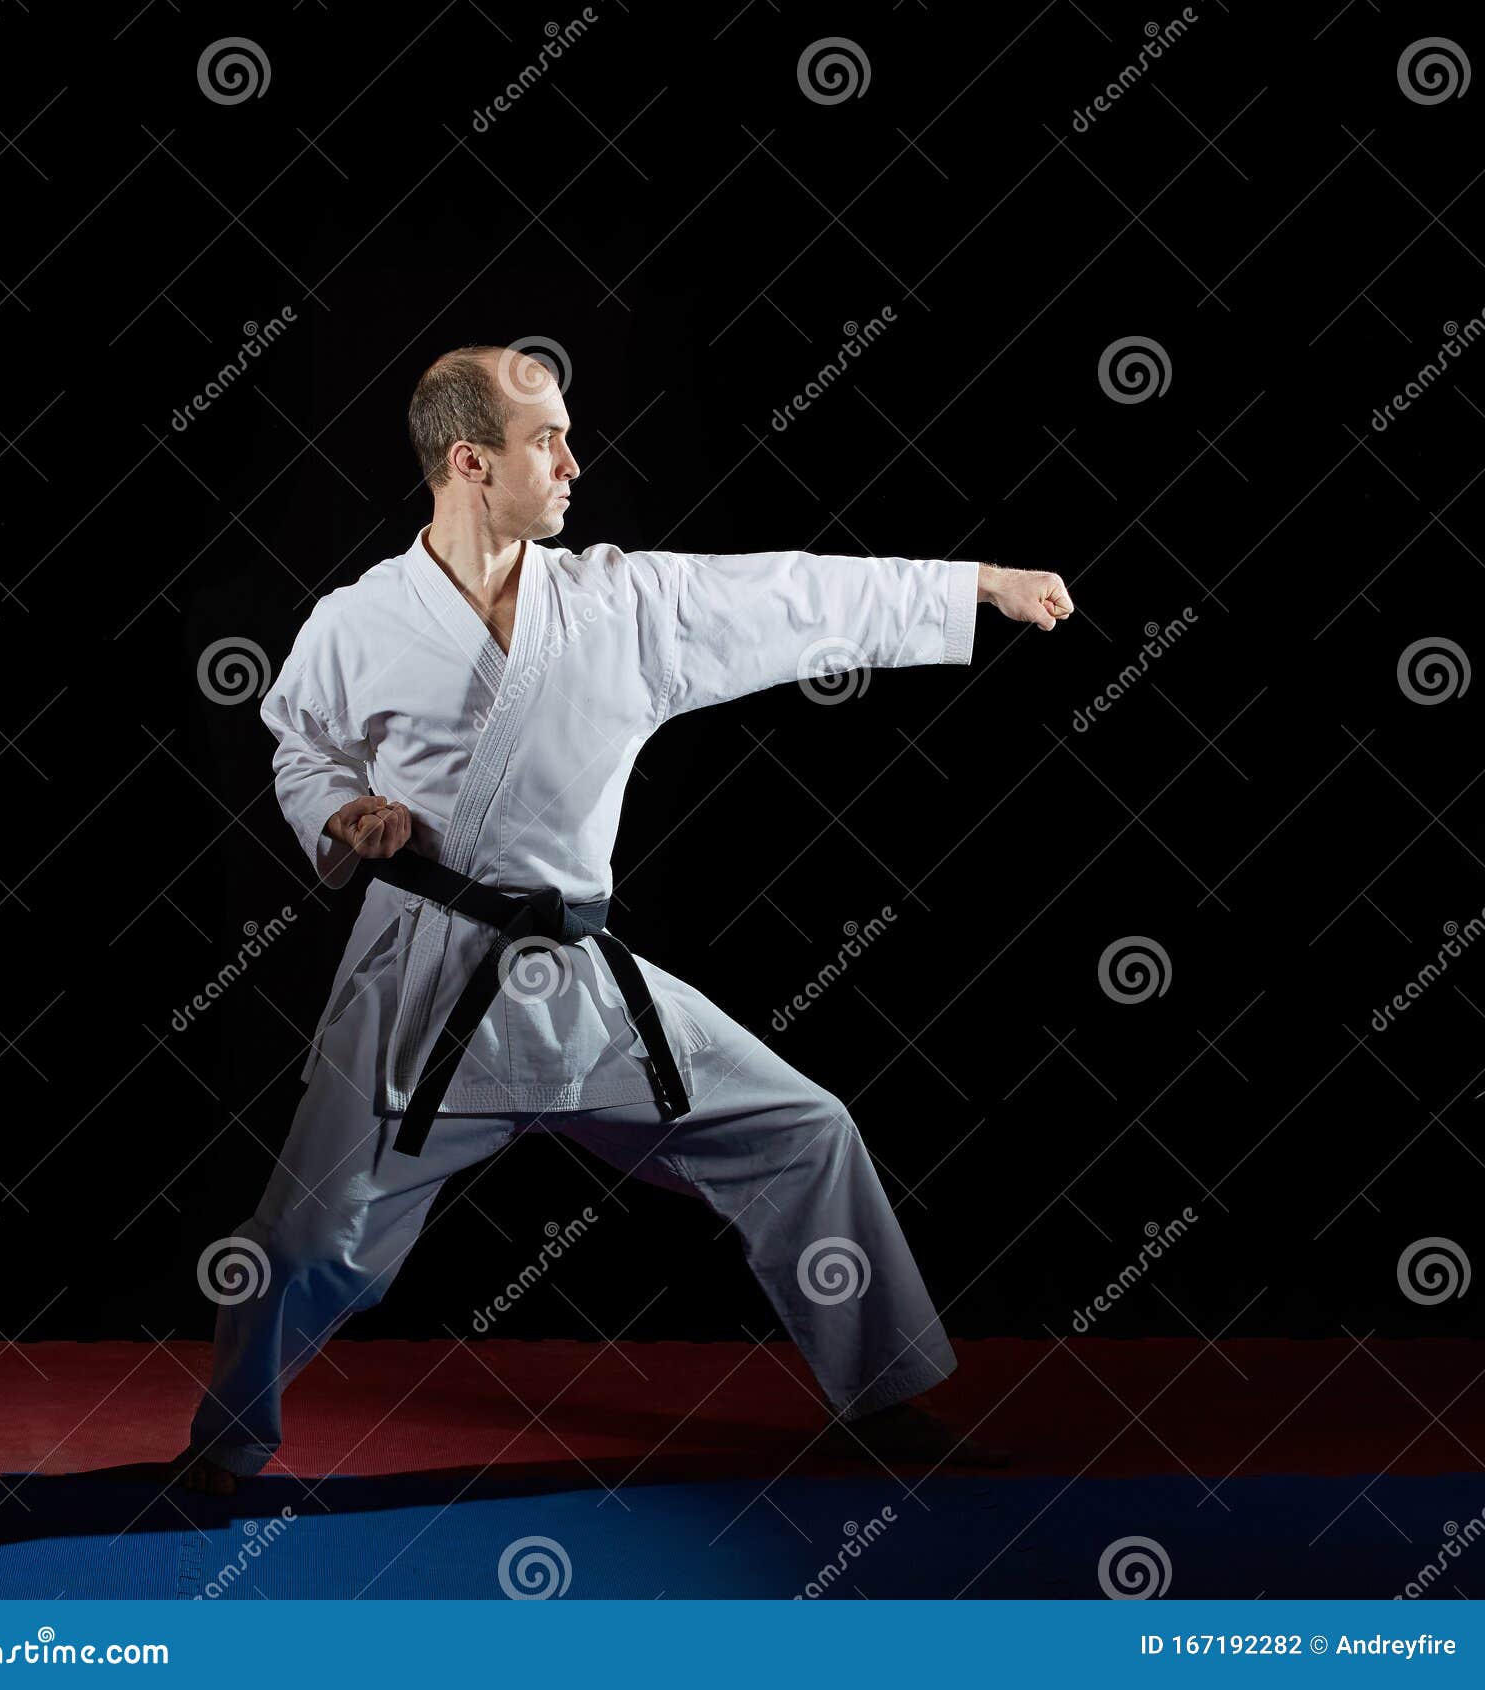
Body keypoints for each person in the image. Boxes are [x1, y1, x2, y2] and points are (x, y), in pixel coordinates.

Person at [171, 344, 1073, 1495]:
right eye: (543, 439)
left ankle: (884, 1399)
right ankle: (224, 1447)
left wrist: (970, 584)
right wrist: (342, 811)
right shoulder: (358, 622)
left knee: (803, 1131)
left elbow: (787, 594)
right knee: (306, 1240)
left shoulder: (620, 602)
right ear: (469, 460)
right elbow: (302, 744)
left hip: (583, 985)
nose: (571, 461)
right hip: (428, 989)